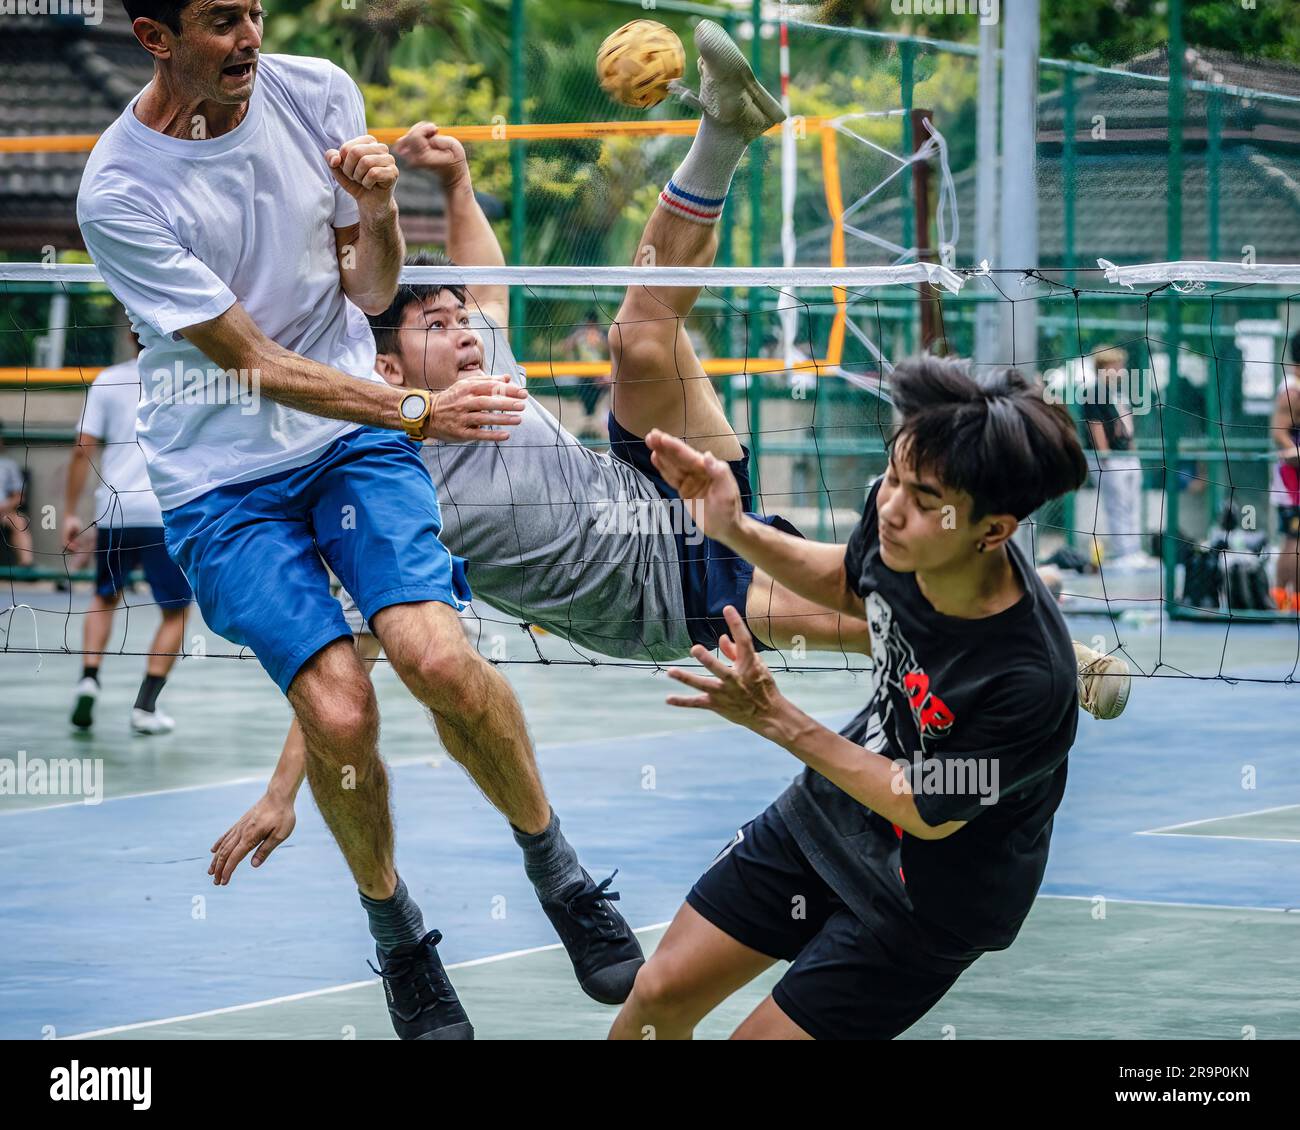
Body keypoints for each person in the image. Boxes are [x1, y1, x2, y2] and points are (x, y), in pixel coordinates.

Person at [212, 21, 1128, 903]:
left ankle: (725, 127)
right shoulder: (386, 493)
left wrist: (455, 179)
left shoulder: (480, 367)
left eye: (464, 322)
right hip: (654, 601)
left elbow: (483, 272)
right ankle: (1055, 652)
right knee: (864, 613)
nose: (464, 333)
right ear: (384, 367)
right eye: (435, 325)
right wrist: (285, 790)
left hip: (650, 488)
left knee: (642, 340)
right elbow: (355, 655)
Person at [76, 0, 640, 1039]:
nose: (248, 35)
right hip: (219, 480)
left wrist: (380, 211)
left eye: (252, 9)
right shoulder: (117, 189)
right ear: (156, 38)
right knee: (338, 713)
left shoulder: (317, 91)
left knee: (434, 657)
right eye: (218, 22)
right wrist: (418, 407)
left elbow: (366, 288)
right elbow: (250, 360)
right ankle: (399, 938)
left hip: (348, 439)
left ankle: (556, 867)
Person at [601, 355, 1115, 1040]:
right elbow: (851, 582)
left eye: (925, 500)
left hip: (929, 898)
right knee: (656, 997)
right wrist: (730, 528)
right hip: (837, 807)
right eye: (894, 478)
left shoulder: (1026, 679)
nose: (893, 508)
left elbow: (922, 807)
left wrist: (776, 718)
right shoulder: (900, 521)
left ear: (993, 532)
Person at [63, 350, 193, 734]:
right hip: (163, 512)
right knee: (177, 611)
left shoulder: (107, 378)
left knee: (104, 596)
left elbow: (81, 449)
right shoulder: (188, 377)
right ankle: (145, 707)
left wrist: (70, 512)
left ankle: (88, 677)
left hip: (114, 512)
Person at [1082, 347, 1148, 570]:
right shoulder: (1092, 392)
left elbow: (1127, 426)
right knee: (1117, 505)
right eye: (1116, 367)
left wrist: (1132, 450)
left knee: (1132, 504)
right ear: (1103, 368)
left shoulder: (1119, 393)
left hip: (1127, 456)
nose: (1120, 371)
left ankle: (1134, 549)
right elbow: (1095, 426)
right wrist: (1105, 456)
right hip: (1110, 459)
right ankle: (1123, 552)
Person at [1269, 331, 1300, 612]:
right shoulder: (1292, 391)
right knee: (1294, 536)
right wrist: (1294, 452)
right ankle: (1284, 600)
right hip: (1293, 479)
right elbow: (1279, 433)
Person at [0, 429, 33, 567]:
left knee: (19, 523)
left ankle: (26, 565)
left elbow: (18, 497)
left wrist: (3, 507)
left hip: (4, 511)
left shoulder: (8, 465)